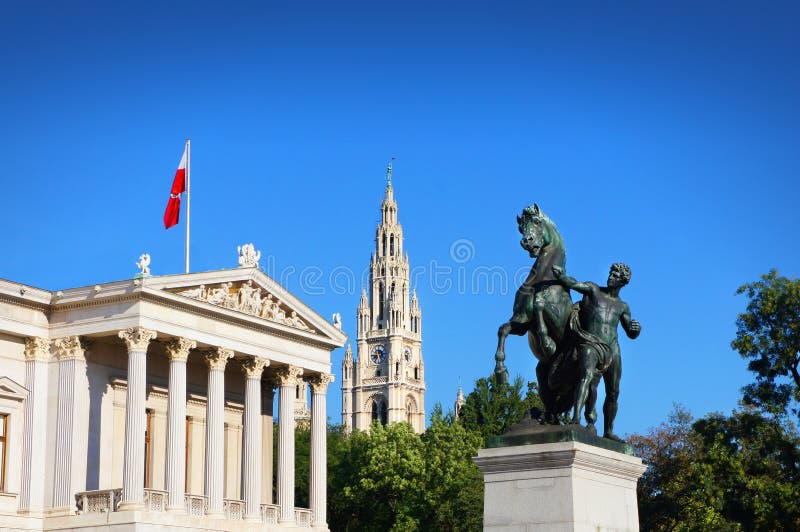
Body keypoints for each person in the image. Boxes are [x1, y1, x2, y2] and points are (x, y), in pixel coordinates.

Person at [552, 263, 641, 441]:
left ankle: (608, 431)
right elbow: (575, 284)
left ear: (623, 281)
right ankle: (576, 419)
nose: (611, 277)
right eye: (611, 273)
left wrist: (636, 329)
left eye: (615, 275)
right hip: (591, 342)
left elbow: (630, 333)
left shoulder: (623, 306)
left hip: (612, 349)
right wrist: (562, 277)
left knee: (613, 391)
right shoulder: (593, 290)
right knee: (586, 375)